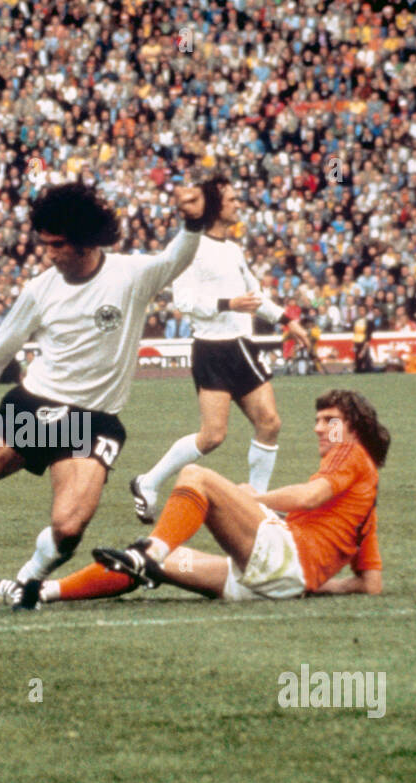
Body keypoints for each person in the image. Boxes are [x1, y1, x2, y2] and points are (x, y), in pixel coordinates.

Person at [0, 181, 207, 610]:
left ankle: (27, 580)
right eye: (45, 244)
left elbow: (177, 257)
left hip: (93, 422)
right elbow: (7, 340)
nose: (50, 254)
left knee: (69, 527)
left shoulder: (131, 276)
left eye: (58, 245)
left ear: (85, 240)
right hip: (34, 407)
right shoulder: (40, 289)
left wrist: (192, 220)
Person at [0, 390, 387, 607]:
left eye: (329, 421)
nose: (319, 429)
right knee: (158, 565)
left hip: (285, 559)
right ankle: (40, 591)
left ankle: (152, 550)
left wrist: (256, 497)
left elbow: (310, 495)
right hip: (279, 580)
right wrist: (315, 585)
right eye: (317, 421)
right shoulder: (364, 509)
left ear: (354, 427)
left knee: (197, 476)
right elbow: (370, 584)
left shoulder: (352, 455)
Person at [130, 176, 313, 524]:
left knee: (270, 422)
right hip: (213, 350)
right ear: (215, 205)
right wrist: (229, 303)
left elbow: (255, 298)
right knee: (213, 436)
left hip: (240, 346)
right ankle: (147, 482)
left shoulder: (232, 249)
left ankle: (256, 500)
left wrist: (288, 322)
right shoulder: (192, 247)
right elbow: (183, 301)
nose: (237, 203)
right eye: (231, 199)